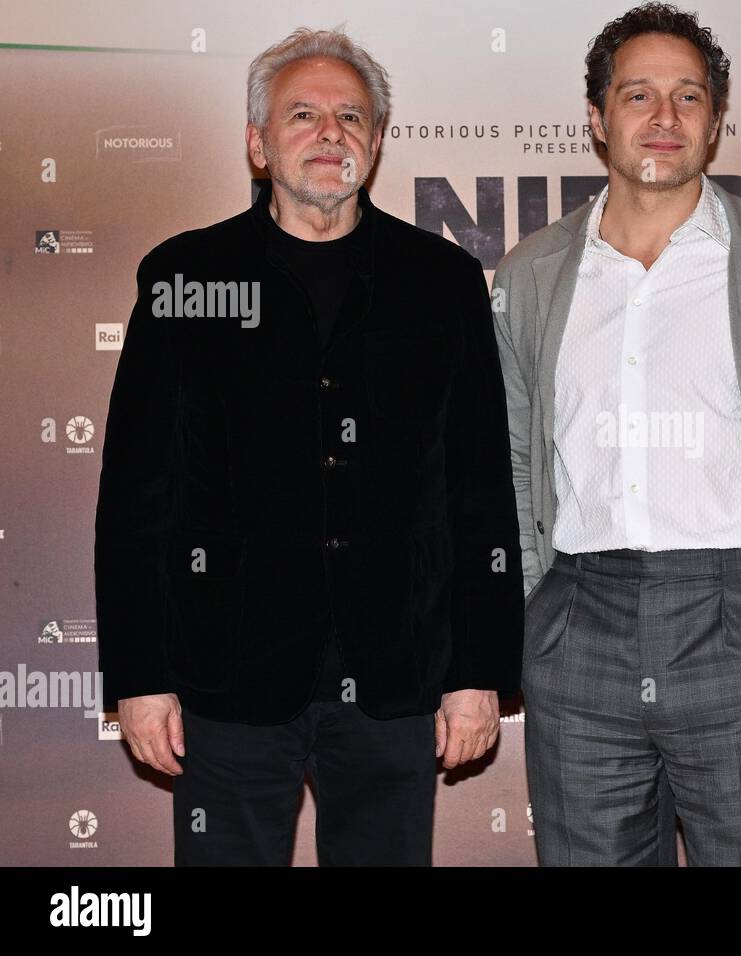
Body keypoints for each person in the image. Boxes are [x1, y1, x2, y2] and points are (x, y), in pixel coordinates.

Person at [94, 27, 523, 866]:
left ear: (376, 140)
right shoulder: (186, 277)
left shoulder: (441, 281)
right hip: (226, 679)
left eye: (351, 117)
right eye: (303, 115)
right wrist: (139, 677)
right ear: (258, 145)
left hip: (396, 680)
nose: (331, 133)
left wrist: (477, 673)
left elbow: (477, 487)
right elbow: (139, 495)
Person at [492, 2, 741, 865]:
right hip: (576, 625)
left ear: (714, 122)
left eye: (688, 97)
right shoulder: (532, 276)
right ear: (597, 119)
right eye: (638, 95)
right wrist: (532, 611)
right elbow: (511, 459)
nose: (663, 118)